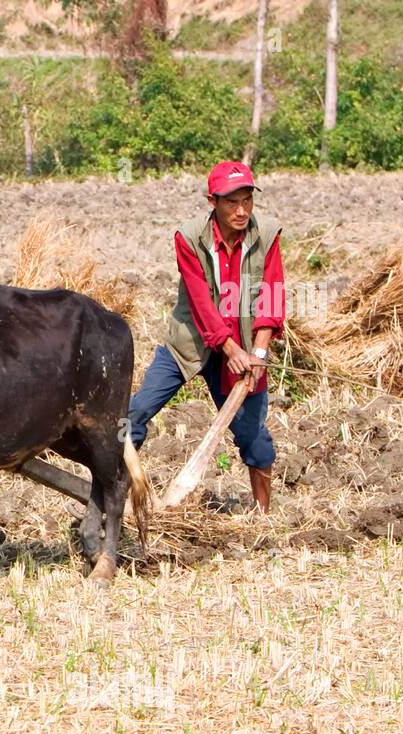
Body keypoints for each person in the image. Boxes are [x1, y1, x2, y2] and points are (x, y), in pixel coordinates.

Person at [127, 161, 284, 512]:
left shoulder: (267, 236)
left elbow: (272, 296)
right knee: (134, 414)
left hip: (245, 349)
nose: (242, 211)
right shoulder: (189, 238)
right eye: (232, 203)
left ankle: (264, 515)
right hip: (189, 343)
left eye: (247, 201)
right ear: (212, 202)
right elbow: (200, 302)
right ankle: (119, 499)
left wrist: (257, 352)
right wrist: (228, 348)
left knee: (253, 435)